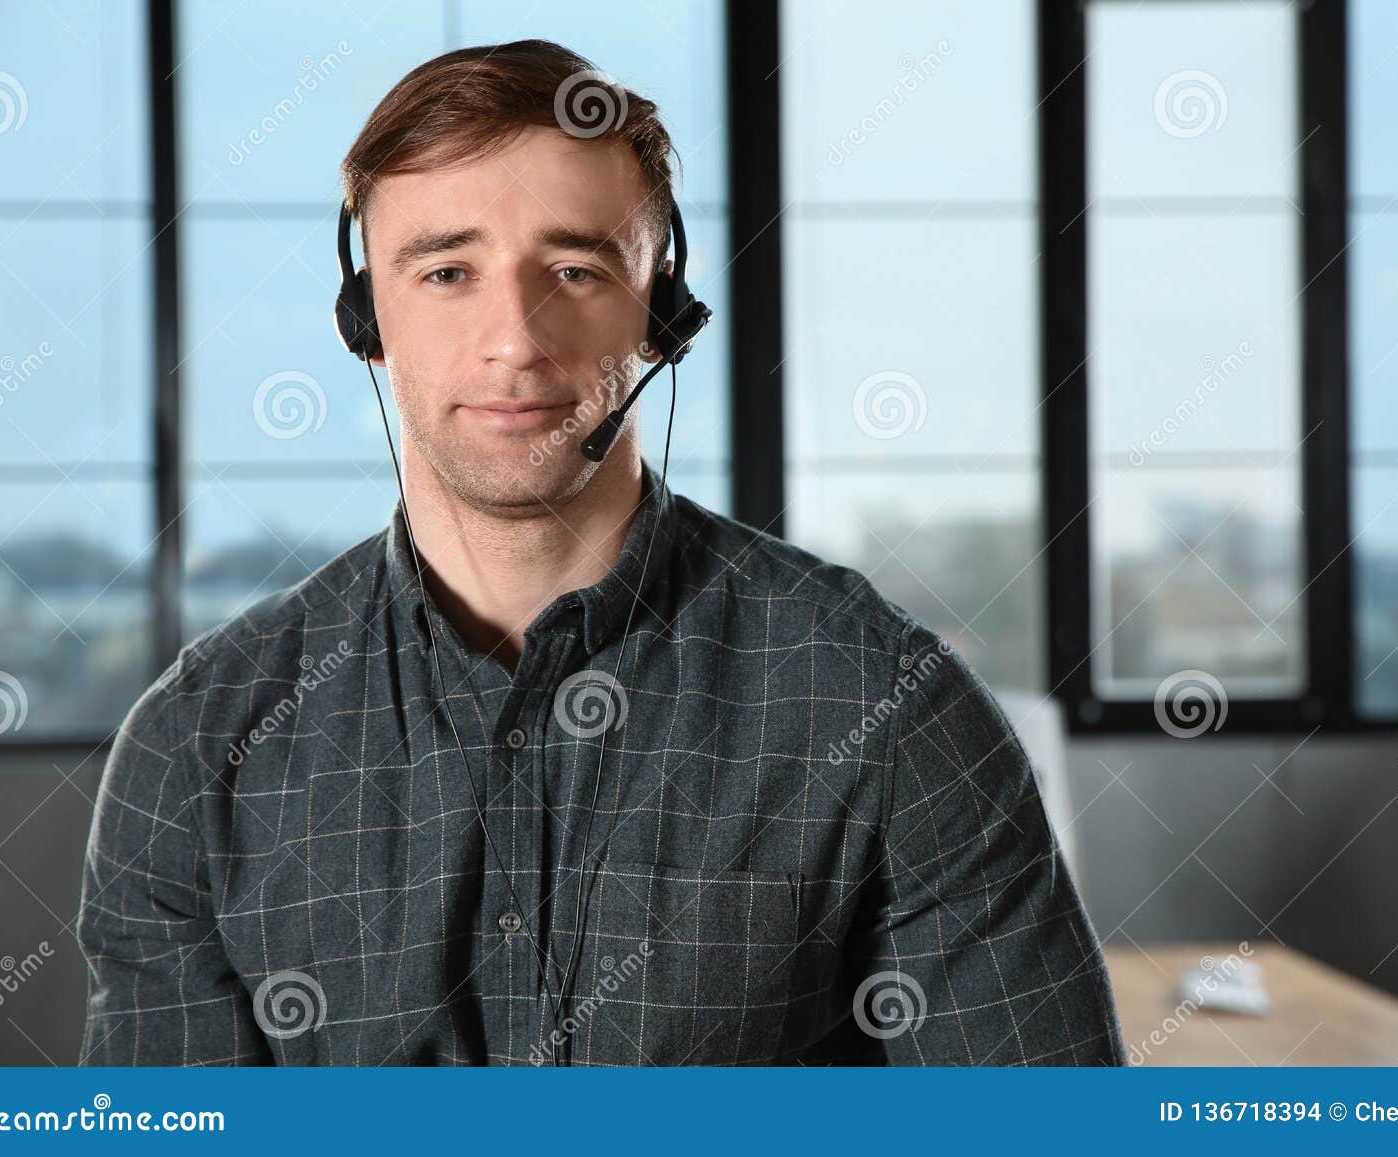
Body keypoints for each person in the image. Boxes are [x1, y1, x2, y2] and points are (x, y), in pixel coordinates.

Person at [77, 39, 1123, 1066]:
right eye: (446, 271)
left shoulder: (884, 705)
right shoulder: (197, 742)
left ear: (661, 313)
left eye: (575, 268)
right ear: (367, 318)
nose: (515, 340)